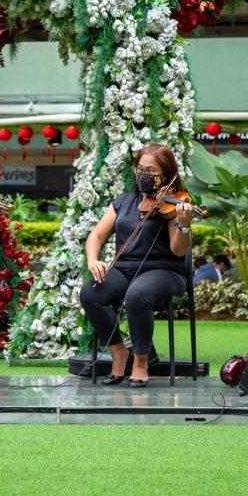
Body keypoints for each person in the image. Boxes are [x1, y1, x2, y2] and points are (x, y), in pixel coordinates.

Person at [79, 144, 193, 388]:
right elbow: (96, 236)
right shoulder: (123, 202)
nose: (142, 175)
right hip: (124, 269)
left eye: (149, 170)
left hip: (165, 271)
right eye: (139, 169)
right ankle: (119, 352)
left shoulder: (174, 205)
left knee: (137, 294)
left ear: (166, 174)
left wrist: (184, 225)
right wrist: (93, 260)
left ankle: (141, 362)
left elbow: (178, 250)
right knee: (90, 293)